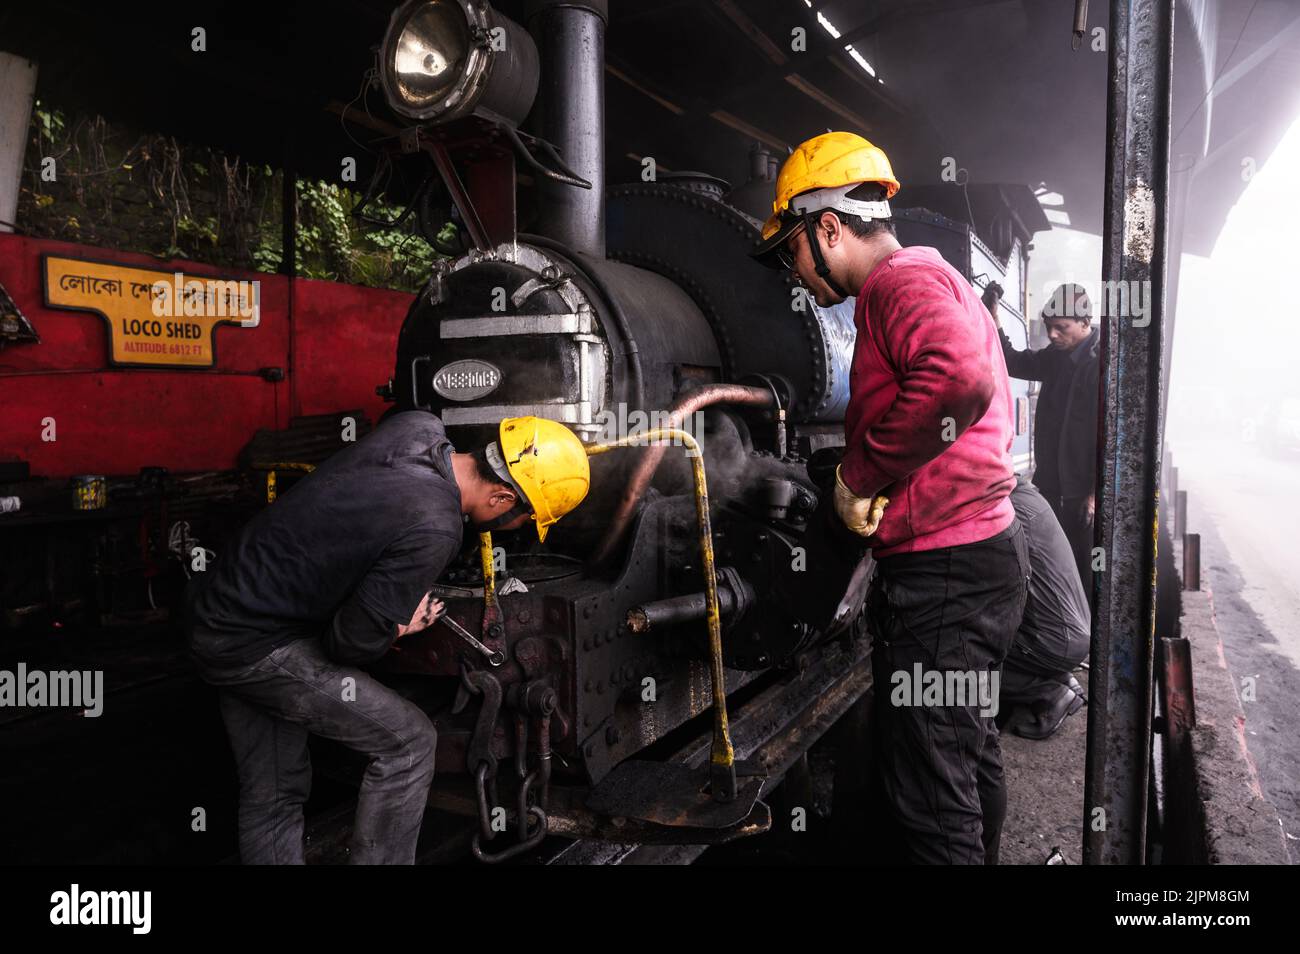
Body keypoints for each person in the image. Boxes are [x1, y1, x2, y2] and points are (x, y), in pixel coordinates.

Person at [752, 131, 1029, 865]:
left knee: (928, 795)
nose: (796, 275)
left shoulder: (896, 286)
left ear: (831, 227)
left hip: (947, 574)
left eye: (794, 253)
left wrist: (859, 477)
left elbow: (956, 385)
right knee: (966, 760)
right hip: (980, 559)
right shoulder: (936, 278)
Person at [185, 412, 590, 864]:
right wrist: (399, 624)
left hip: (216, 610)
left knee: (276, 789)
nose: (515, 529)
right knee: (410, 744)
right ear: (501, 497)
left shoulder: (417, 427)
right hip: (257, 647)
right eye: (523, 519)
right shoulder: (437, 526)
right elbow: (348, 644)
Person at [990, 282, 1100, 593]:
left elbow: (1109, 440)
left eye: (1061, 328)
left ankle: (1087, 632)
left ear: (1084, 323)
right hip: (1052, 485)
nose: (1052, 335)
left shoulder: (1101, 366)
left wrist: (1094, 494)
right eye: (1050, 327)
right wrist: (994, 316)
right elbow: (1012, 361)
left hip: (1083, 494)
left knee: (1086, 568)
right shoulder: (1056, 357)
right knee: (1052, 567)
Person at [1000, 477, 1089, 740]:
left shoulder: (1008, 512)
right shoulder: (1031, 499)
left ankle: (1047, 693)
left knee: (964, 658)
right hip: (1073, 636)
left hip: (1053, 643)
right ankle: (1061, 680)